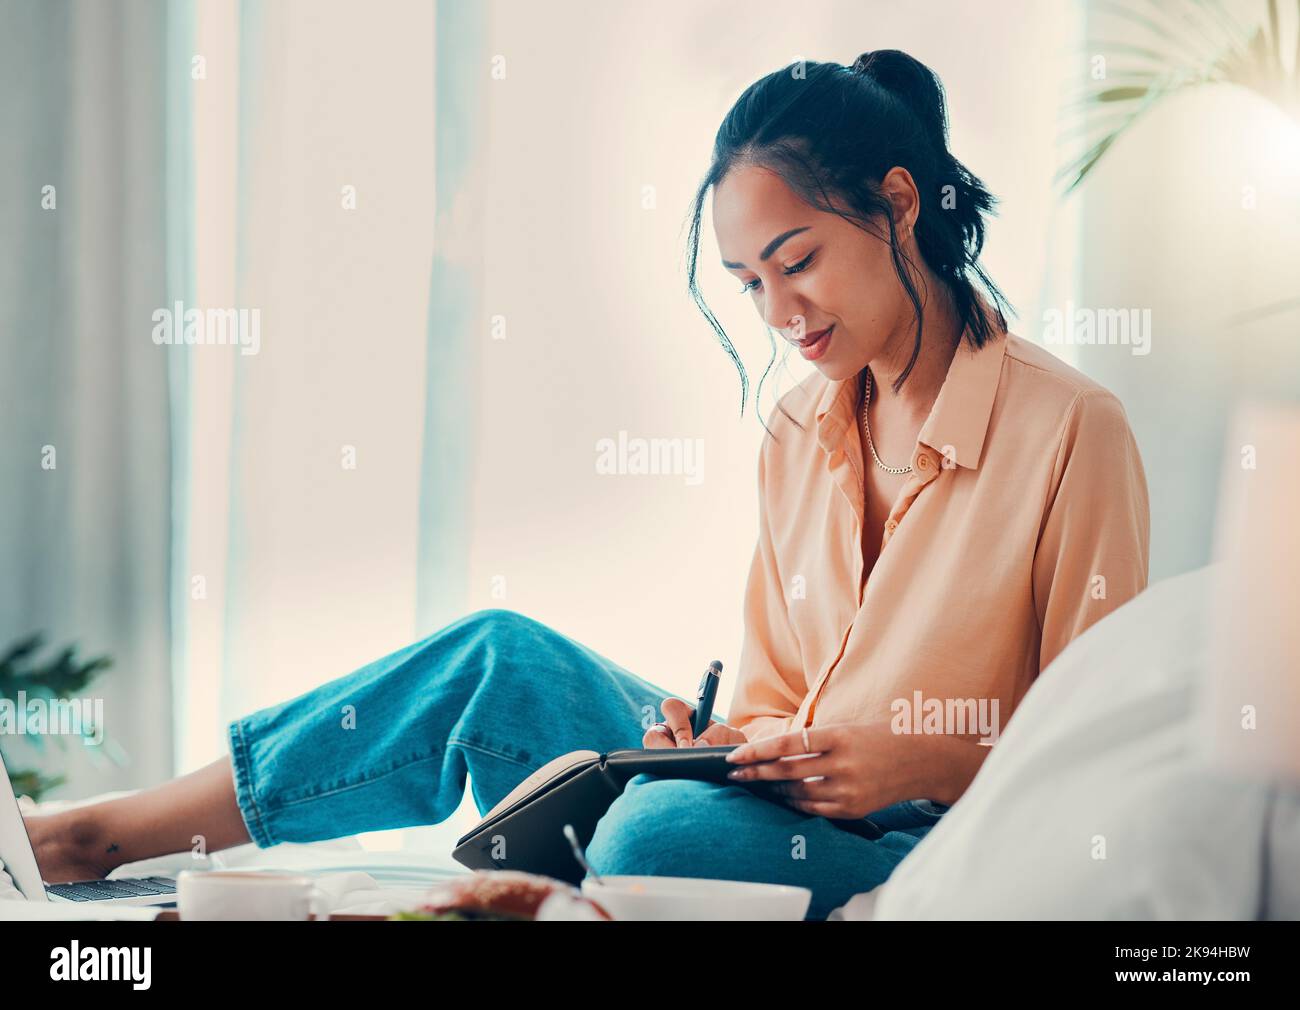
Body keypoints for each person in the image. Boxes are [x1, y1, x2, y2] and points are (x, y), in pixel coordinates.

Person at [23, 50, 1149, 921]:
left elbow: (1098, 755)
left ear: (899, 203)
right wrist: (696, 734)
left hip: (921, 832)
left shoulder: (1068, 430)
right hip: (770, 786)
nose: (779, 314)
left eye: (797, 260)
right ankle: (87, 838)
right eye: (748, 282)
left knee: (666, 843)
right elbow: (770, 702)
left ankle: (644, 832)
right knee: (499, 660)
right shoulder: (801, 426)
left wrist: (900, 756)